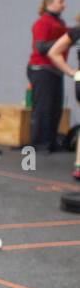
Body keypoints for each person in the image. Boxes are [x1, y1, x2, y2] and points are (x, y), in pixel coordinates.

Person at [30, 0, 67, 154]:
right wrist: (63, 41)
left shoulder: (60, 22)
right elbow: (40, 47)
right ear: (49, 3)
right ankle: (38, 144)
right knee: (43, 108)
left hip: (56, 70)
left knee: (55, 108)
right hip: (41, 69)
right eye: (60, 2)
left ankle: (50, 142)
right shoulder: (43, 22)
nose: (63, 5)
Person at [44, 11, 80, 180]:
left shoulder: (76, 31)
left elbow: (53, 52)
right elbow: (52, 53)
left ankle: (79, 166)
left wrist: (73, 73)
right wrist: (71, 72)